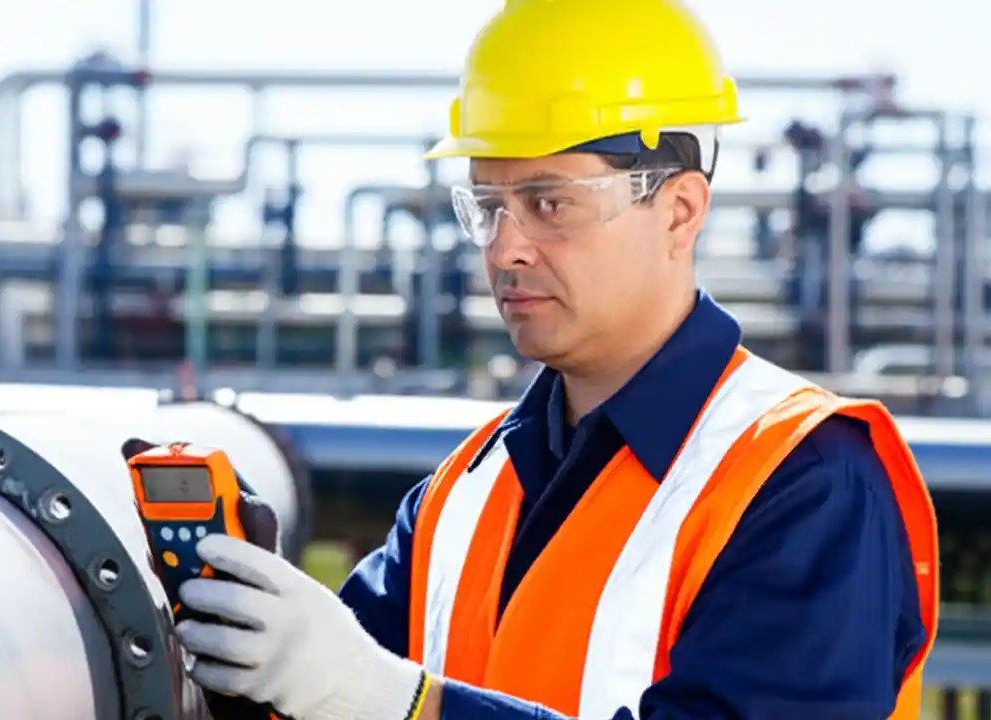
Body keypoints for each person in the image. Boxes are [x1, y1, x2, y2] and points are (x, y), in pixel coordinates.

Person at [172, 1, 940, 718]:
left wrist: (397, 701)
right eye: (488, 205)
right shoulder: (457, 497)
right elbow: (331, 690)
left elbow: (374, 692)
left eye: (549, 204)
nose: (506, 248)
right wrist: (245, 640)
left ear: (679, 211)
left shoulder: (806, 480)